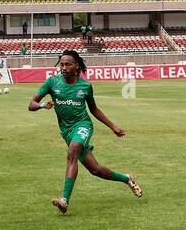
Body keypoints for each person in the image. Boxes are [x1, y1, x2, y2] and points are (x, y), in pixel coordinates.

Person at [30, 50, 141, 214]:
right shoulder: (52, 82)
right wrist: (41, 106)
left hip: (83, 125)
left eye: (68, 64)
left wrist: (113, 127)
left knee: (72, 152)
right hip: (66, 131)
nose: (64, 67)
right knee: (95, 169)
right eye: (62, 64)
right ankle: (127, 179)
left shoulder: (85, 86)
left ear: (76, 66)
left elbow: (94, 109)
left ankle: (64, 200)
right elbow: (31, 104)